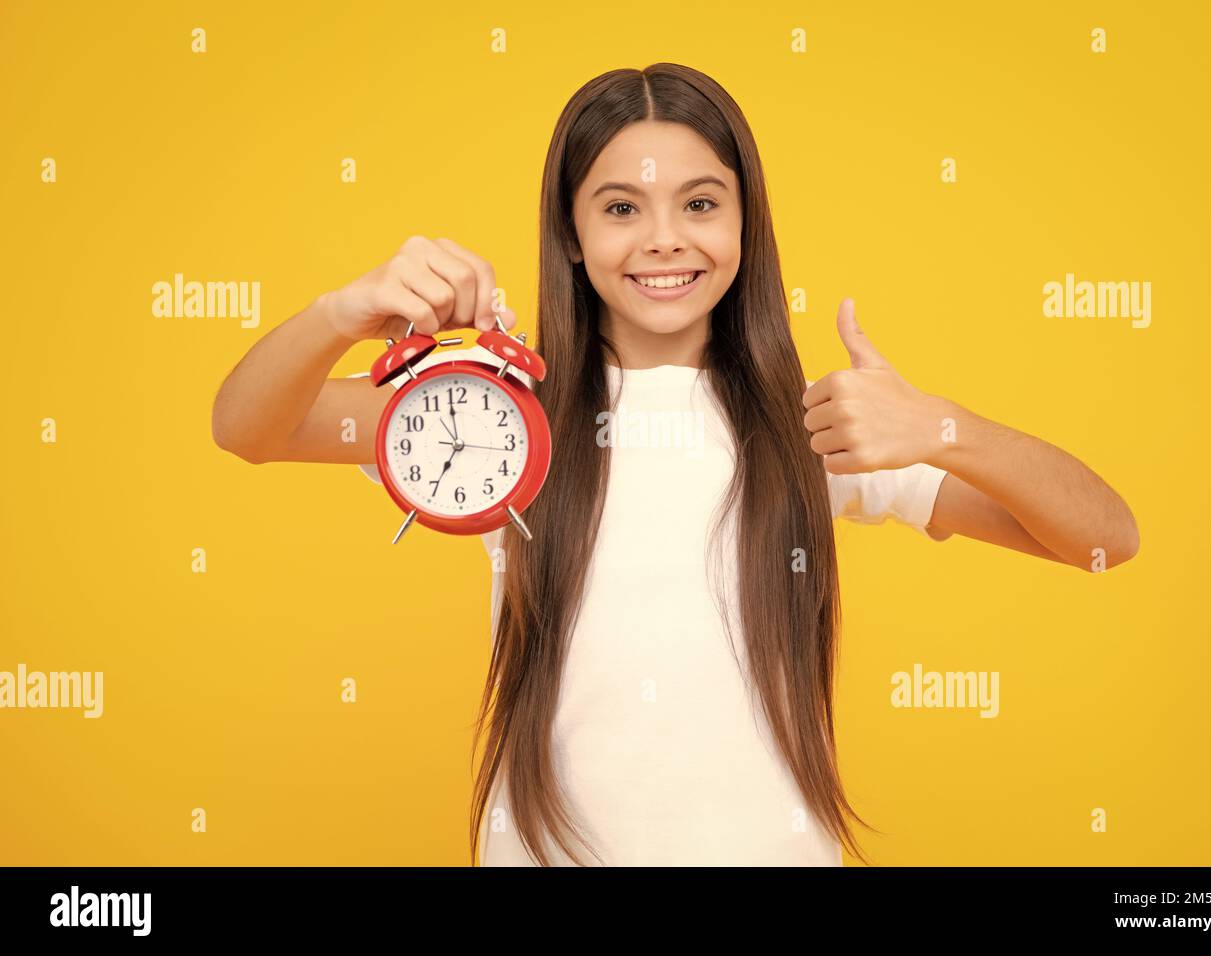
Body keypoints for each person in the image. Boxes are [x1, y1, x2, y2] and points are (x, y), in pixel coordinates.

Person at [211, 63, 1139, 867]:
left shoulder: (821, 428)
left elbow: (1104, 539)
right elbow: (248, 428)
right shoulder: (497, 419)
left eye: (700, 203)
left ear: (745, 222)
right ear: (571, 234)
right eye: (621, 208)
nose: (664, 239)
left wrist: (942, 427)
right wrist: (345, 311)